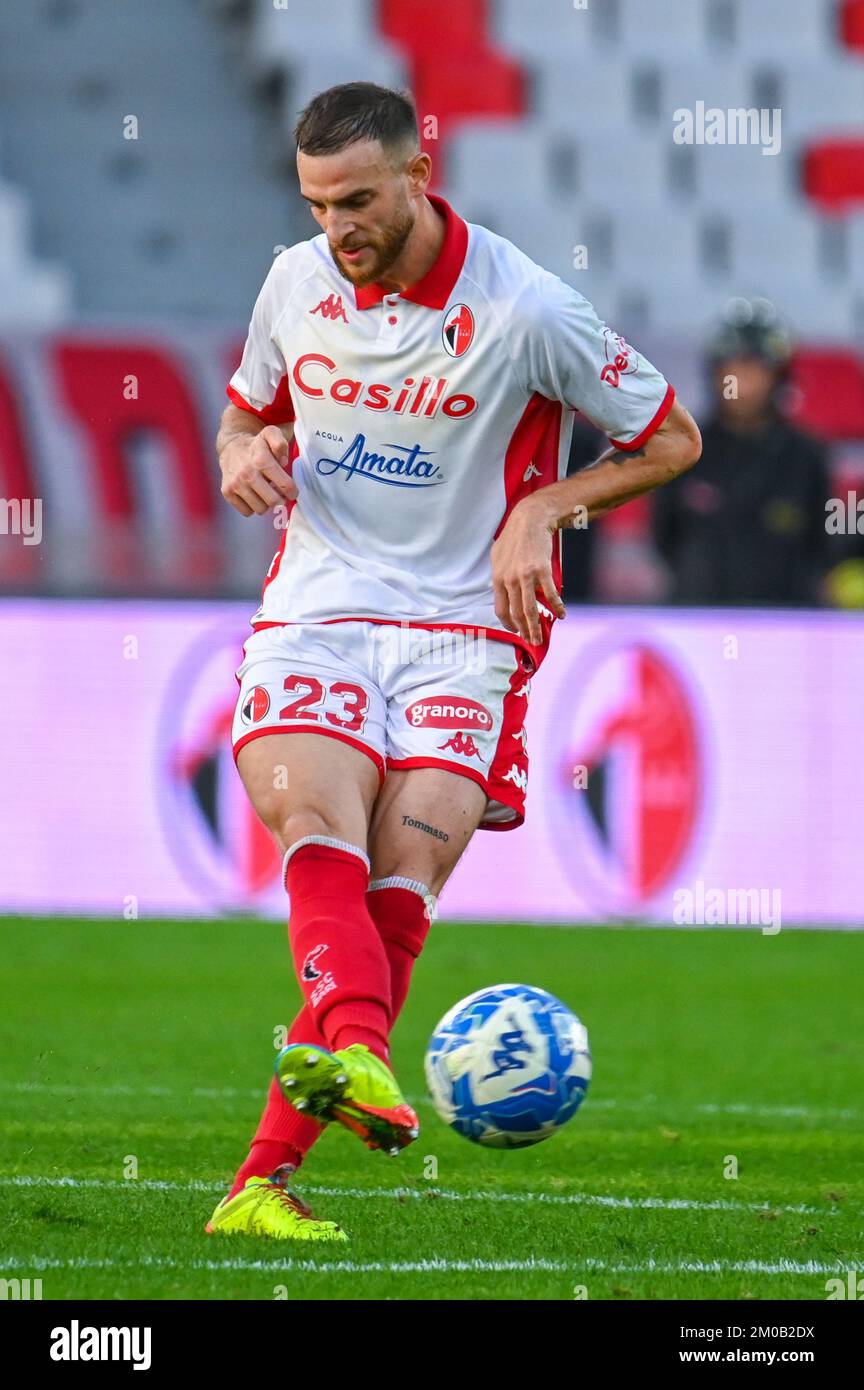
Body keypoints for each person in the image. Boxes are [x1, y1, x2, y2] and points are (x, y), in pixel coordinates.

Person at [207, 82, 701, 1241]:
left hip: (467, 637)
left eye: (361, 201)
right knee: (314, 828)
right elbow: (244, 418)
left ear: (421, 175)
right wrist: (244, 452)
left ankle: (256, 1188)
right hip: (318, 608)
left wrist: (547, 513)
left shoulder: (526, 308)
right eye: (319, 206)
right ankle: (356, 1066)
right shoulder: (295, 282)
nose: (340, 230)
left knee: (398, 893)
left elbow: (670, 436)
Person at [653, 297, 831, 605]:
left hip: (788, 625)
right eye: (733, 366)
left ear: (778, 376)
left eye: (756, 368)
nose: (742, 382)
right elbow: (664, 540)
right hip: (696, 623)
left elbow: (821, 548)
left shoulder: (808, 457)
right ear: (714, 372)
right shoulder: (680, 450)